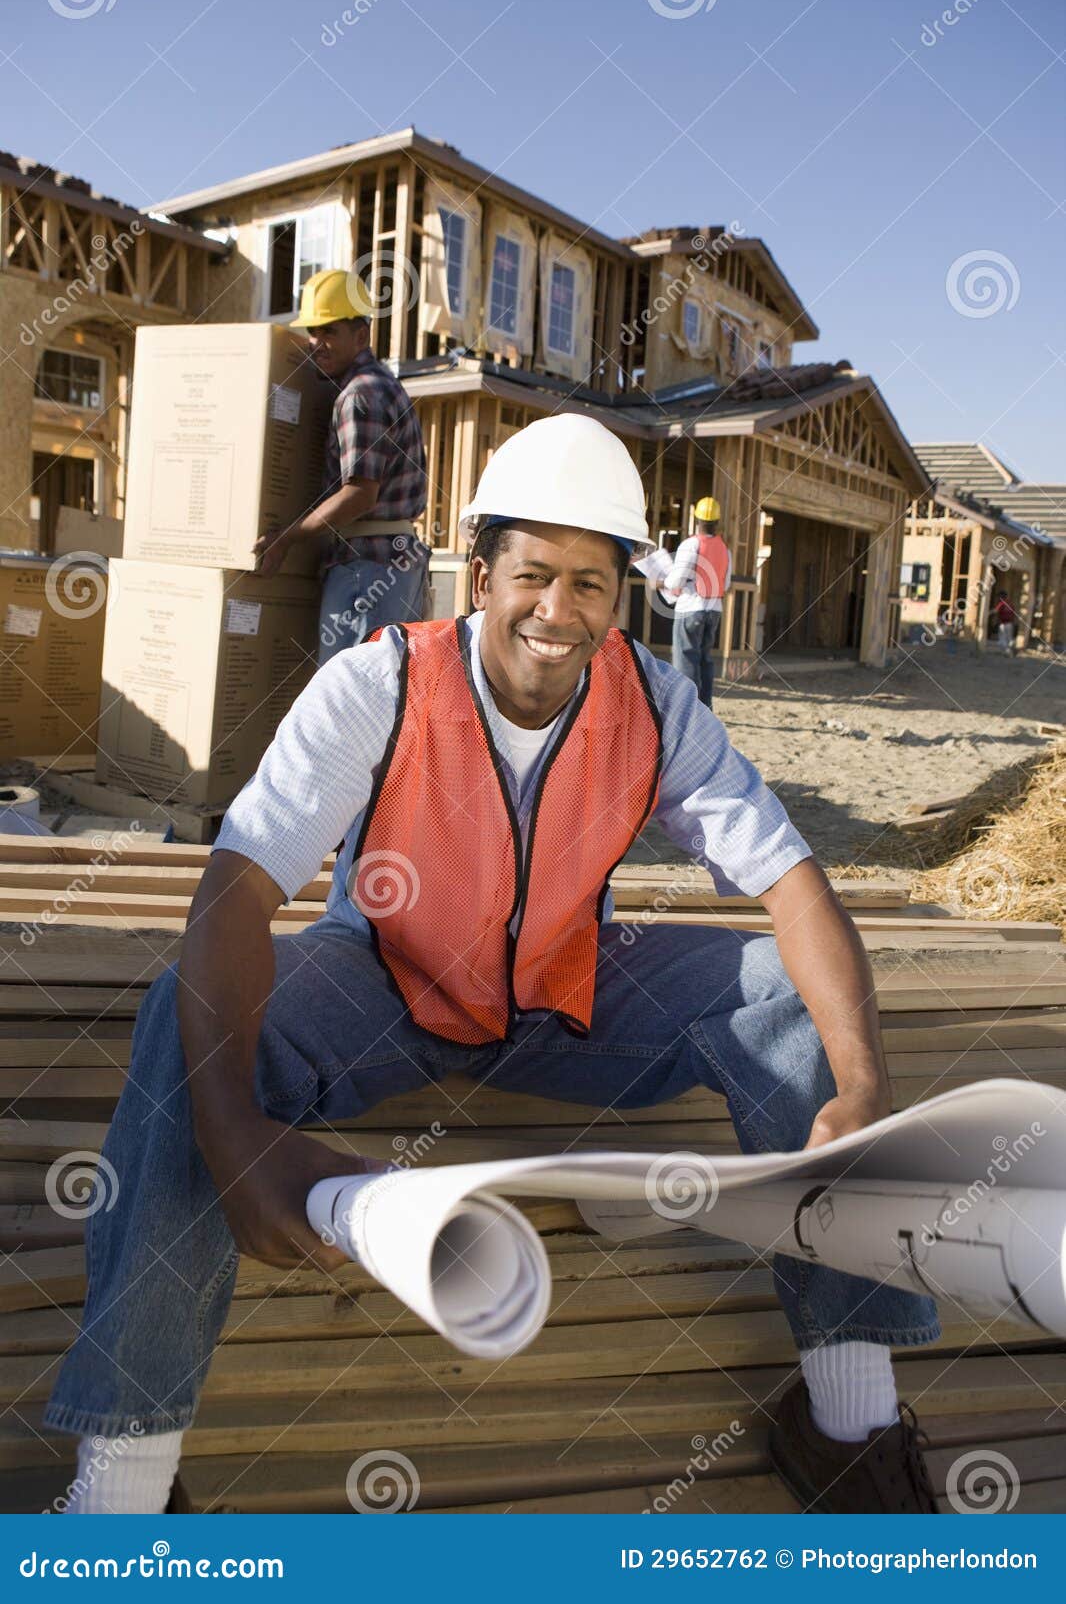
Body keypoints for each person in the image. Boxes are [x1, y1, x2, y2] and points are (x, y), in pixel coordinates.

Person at [42, 414, 941, 1516]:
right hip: (382, 983)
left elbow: (795, 884)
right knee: (189, 1021)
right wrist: (231, 1129)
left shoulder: (655, 705)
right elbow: (236, 888)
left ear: (625, 599)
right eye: (532, 575)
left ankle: (848, 1427)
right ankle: (122, 1492)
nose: (557, 611)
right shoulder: (380, 684)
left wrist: (863, 1094)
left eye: (590, 584)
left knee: (790, 1004)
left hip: (566, 997)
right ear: (479, 574)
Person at [253, 267, 430, 665]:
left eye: (329, 331)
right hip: (387, 564)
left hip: (367, 567)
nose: (317, 343)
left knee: (349, 700)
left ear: (361, 335)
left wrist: (285, 539)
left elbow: (359, 494)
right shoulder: (379, 384)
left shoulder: (360, 394)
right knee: (385, 697)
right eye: (313, 332)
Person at [660, 496, 731, 709]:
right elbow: (725, 584)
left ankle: (686, 709)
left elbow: (676, 579)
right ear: (717, 522)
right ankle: (705, 707)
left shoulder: (691, 545)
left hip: (690, 608)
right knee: (705, 660)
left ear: (696, 518)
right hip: (714, 610)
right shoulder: (725, 549)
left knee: (685, 660)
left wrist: (661, 582)